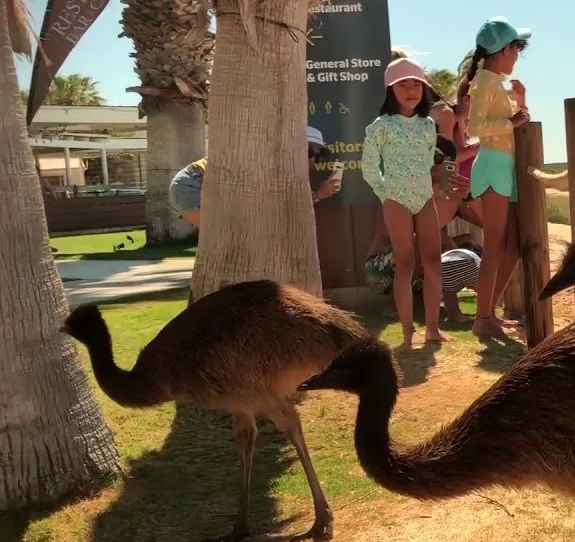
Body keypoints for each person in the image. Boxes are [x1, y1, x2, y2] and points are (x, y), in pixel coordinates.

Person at [362, 57, 446, 347]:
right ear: (390, 89)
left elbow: (426, 163)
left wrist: (428, 188)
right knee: (405, 264)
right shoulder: (379, 127)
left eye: (416, 85)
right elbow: (370, 169)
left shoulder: (427, 126)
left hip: (424, 200)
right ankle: (408, 332)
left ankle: (432, 329)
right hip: (396, 200)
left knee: (433, 262)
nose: (411, 91)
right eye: (403, 85)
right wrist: (388, 195)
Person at [461, 16, 531, 338]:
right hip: (492, 167)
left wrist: (521, 105)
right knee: (495, 247)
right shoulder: (485, 81)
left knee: (513, 246)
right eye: (516, 49)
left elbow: (509, 123)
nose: (518, 56)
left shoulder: (493, 82)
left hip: (503, 168)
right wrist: (512, 123)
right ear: (504, 49)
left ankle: (488, 313)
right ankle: (483, 319)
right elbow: (475, 129)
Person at [170, 128, 339, 227]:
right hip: (192, 184)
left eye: (317, 157)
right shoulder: (271, 161)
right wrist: (318, 195)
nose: (312, 161)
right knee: (222, 237)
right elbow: (283, 205)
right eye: (310, 152)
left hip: (196, 186)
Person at [364, 230, 482, 323]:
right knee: (426, 244)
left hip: (396, 278)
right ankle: (395, 304)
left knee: (435, 269)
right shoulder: (441, 242)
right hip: (379, 272)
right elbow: (382, 235)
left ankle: (401, 303)